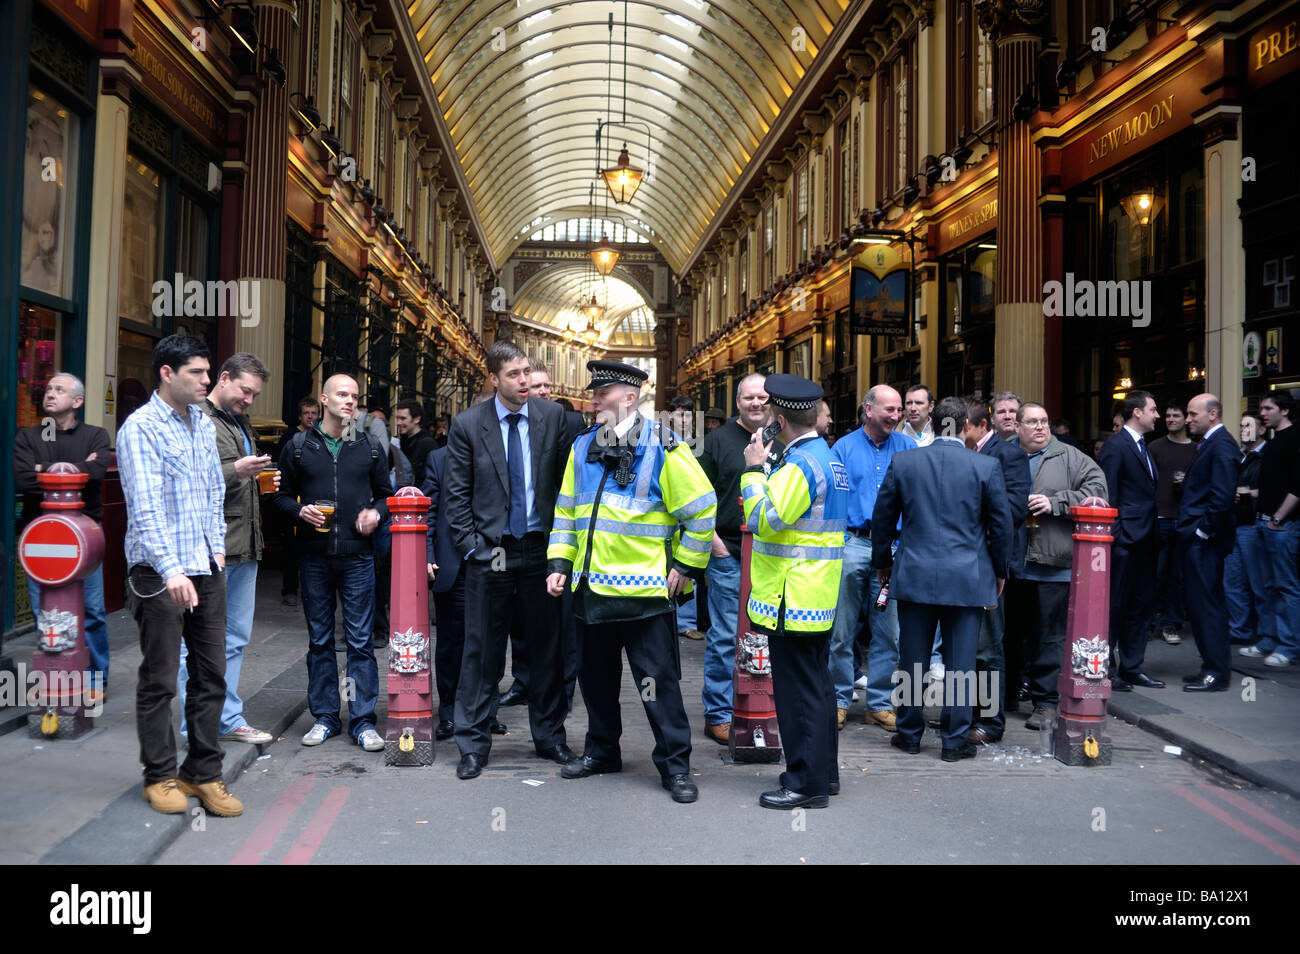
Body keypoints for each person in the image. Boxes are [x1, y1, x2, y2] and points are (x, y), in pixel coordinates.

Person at [549, 360, 715, 804]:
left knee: (658, 685)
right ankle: (602, 752)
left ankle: (676, 767)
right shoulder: (583, 445)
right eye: (593, 394)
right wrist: (559, 563)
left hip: (645, 593)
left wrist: (686, 565)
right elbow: (566, 509)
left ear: (628, 397)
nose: (593, 401)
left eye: (601, 394)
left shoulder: (666, 445)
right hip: (591, 590)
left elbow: (702, 509)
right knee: (596, 682)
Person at [117, 334, 241, 817]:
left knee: (211, 676)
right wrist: (172, 571)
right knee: (161, 679)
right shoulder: (141, 428)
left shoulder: (202, 424)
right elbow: (144, 509)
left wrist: (216, 548)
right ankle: (160, 775)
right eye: (197, 372)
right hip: (158, 574)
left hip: (206, 568)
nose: (207, 380)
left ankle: (203, 773)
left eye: (208, 372)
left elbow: (212, 492)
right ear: (167, 373)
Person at [444, 340, 573, 779]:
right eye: (514, 374)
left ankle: (550, 738)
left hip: (540, 549)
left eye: (526, 373)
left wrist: (562, 548)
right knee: (482, 652)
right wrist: (472, 549)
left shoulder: (551, 417)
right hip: (491, 552)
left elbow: (565, 483)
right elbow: (456, 495)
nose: (523, 381)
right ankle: (473, 745)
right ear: (494, 379)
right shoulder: (468, 424)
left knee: (546, 651)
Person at [873, 396, 1013, 762]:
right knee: (961, 662)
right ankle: (953, 740)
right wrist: (1000, 571)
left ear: (933, 424)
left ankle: (909, 734)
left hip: (914, 574)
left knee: (911, 659)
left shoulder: (905, 462)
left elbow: (883, 518)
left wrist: (882, 562)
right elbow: (1001, 526)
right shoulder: (985, 466)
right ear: (966, 425)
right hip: (967, 577)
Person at [740, 374, 847, 808]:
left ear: (779, 420)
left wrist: (752, 471)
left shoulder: (802, 463)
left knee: (798, 695)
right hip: (814, 593)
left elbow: (765, 520)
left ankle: (805, 784)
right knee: (817, 687)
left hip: (793, 594)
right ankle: (823, 775)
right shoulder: (826, 457)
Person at [274, 373, 392, 751]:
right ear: (324, 400)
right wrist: (299, 511)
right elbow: (279, 497)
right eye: (342, 394)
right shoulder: (298, 447)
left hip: (358, 557)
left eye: (354, 396)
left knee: (359, 641)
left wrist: (376, 513)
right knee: (320, 640)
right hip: (314, 557)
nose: (350, 401)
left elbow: (386, 496)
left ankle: (362, 720)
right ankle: (325, 716)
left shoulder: (369, 447)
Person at [177, 353, 276, 746]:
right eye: (245, 391)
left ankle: (227, 719)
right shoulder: (195, 418)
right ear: (223, 378)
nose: (249, 400)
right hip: (209, 548)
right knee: (198, 641)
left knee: (234, 638)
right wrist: (238, 471)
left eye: (254, 395)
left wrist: (259, 479)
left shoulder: (239, 421)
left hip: (245, 545)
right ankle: (196, 725)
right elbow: (188, 481)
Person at [1006, 402, 1108, 730]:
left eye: (1044, 421)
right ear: (1017, 427)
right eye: (1032, 422)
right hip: (1010, 563)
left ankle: (1045, 703)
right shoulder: (1003, 453)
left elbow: (1098, 492)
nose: (1040, 427)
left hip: (1053, 563)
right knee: (1010, 634)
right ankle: (1004, 696)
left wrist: (1057, 502)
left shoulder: (1071, 457)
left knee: (1049, 637)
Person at [14, 372, 111, 700]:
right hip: (40, 538)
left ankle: (96, 680)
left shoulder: (96, 435)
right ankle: (52, 679)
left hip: (85, 536)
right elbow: (24, 479)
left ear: (77, 401)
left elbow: (97, 472)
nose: (50, 393)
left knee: (92, 610)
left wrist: (45, 469)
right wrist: (78, 467)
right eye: (49, 389)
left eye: (59, 389)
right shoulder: (28, 437)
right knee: (45, 610)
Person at [697, 372, 778, 744]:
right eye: (749, 398)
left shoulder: (783, 441)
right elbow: (697, 497)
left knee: (765, 636)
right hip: (728, 552)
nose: (756, 403)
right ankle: (718, 713)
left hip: (772, 557)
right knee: (726, 636)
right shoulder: (715, 442)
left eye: (763, 397)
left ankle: (759, 706)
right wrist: (714, 543)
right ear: (738, 402)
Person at [828, 385, 913, 732]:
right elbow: (831, 498)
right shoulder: (843, 448)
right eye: (889, 409)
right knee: (841, 628)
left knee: (888, 631)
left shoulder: (908, 448)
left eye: (898, 410)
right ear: (868, 410)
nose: (896, 415)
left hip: (892, 549)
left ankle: (879, 703)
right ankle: (837, 699)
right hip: (853, 544)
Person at [423, 392, 504, 742]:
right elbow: (428, 510)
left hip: (495, 564)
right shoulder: (439, 458)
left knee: (491, 642)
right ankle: (449, 713)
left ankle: (487, 712)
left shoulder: (509, 456)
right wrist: (427, 553)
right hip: (454, 566)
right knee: (452, 644)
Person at [962, 397, 1030, 744]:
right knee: (964, 644)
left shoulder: (1009, 456)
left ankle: (990, 721)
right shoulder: (963, 454)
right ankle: (963, 714)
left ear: (980, 426)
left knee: (988, 647)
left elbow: (1014, 509)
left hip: (989, 564)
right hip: (960, 564)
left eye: (963, 427)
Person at [1098, 390, 1164, 691]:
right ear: (1137, 412)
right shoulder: (1116, 447)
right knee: (1115, 606)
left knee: (1141, 605)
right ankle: (1106, 669)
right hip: (1126, 541)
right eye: (1153, 409)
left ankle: (1132, 666)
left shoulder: (1143, 446)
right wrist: (1117, 537)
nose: (1157, 415)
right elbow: (1108, 494)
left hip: (1147, 539)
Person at [1178, 393, 1240, 691]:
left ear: (1212, 414)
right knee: (1200, 605)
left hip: (1206, 540)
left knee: (1208, 605)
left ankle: (1216, 672)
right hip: (1200, 537)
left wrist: (1203, 532)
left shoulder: (1222, 445)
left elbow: (1222, 496)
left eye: (1193, 414)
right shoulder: (1211, 444)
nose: (1188, 419)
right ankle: (1210, 667)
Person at [1245, 391, 1299, 666]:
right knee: (1266, 586)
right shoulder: (1275, 441)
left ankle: (1288, 647)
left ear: (1284, 410)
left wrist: (1278, 518)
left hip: (1282, 525)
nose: (1263, 413)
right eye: (1262, 408)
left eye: (1268, 408)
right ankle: (1268, 640)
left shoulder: (1294, 438)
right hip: (1265, 521)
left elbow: (1298, 486)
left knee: (1286, 587)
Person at [1148, 401, 1197, 644]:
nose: (1170, 419)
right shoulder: (1155, 447)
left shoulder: (1196, 450)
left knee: (1177, 576)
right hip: (1159, 517)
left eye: (1175, 415)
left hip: (1184, 519)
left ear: (1185, 418)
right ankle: (1147, 623)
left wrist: (1188, 483)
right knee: (1154, 574)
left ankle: (1171, 624)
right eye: (1167, 415)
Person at [1228, 413, 1272, 651]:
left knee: (1260, 585)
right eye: (1241, 425)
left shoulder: (1268, 455)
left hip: (1254, 525)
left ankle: (1267, 637)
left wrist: (1252, 493)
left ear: (1262, 430)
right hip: (1235, 523)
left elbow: (1279, 488)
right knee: (1232, 582)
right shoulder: (1238, 455)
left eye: (1248, 425)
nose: (1243, 429)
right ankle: (1239, 631)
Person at [667, 394, 704, 641]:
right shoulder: (664, 441)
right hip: (672, 512)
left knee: (689, 570)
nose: (683, 418)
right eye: (679, 413)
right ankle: (672, 619)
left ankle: (687, 622)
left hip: (693, 513)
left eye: (688, 414)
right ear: (670, 415)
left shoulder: (699, 443)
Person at [277, 396, 319, 608]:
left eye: (314, 413)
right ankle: (290, 589)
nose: (310, 417)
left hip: (314, 501)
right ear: (300, 416)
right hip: (294, 501)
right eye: (306, 413)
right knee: (291, 547)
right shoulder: (290, 438)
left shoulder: (321, 436)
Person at [393, 398, 437, 489]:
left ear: (417, 419)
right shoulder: (403, 442)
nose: (398, 423)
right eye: (397, 418)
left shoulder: (428, 444)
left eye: (403, 418)